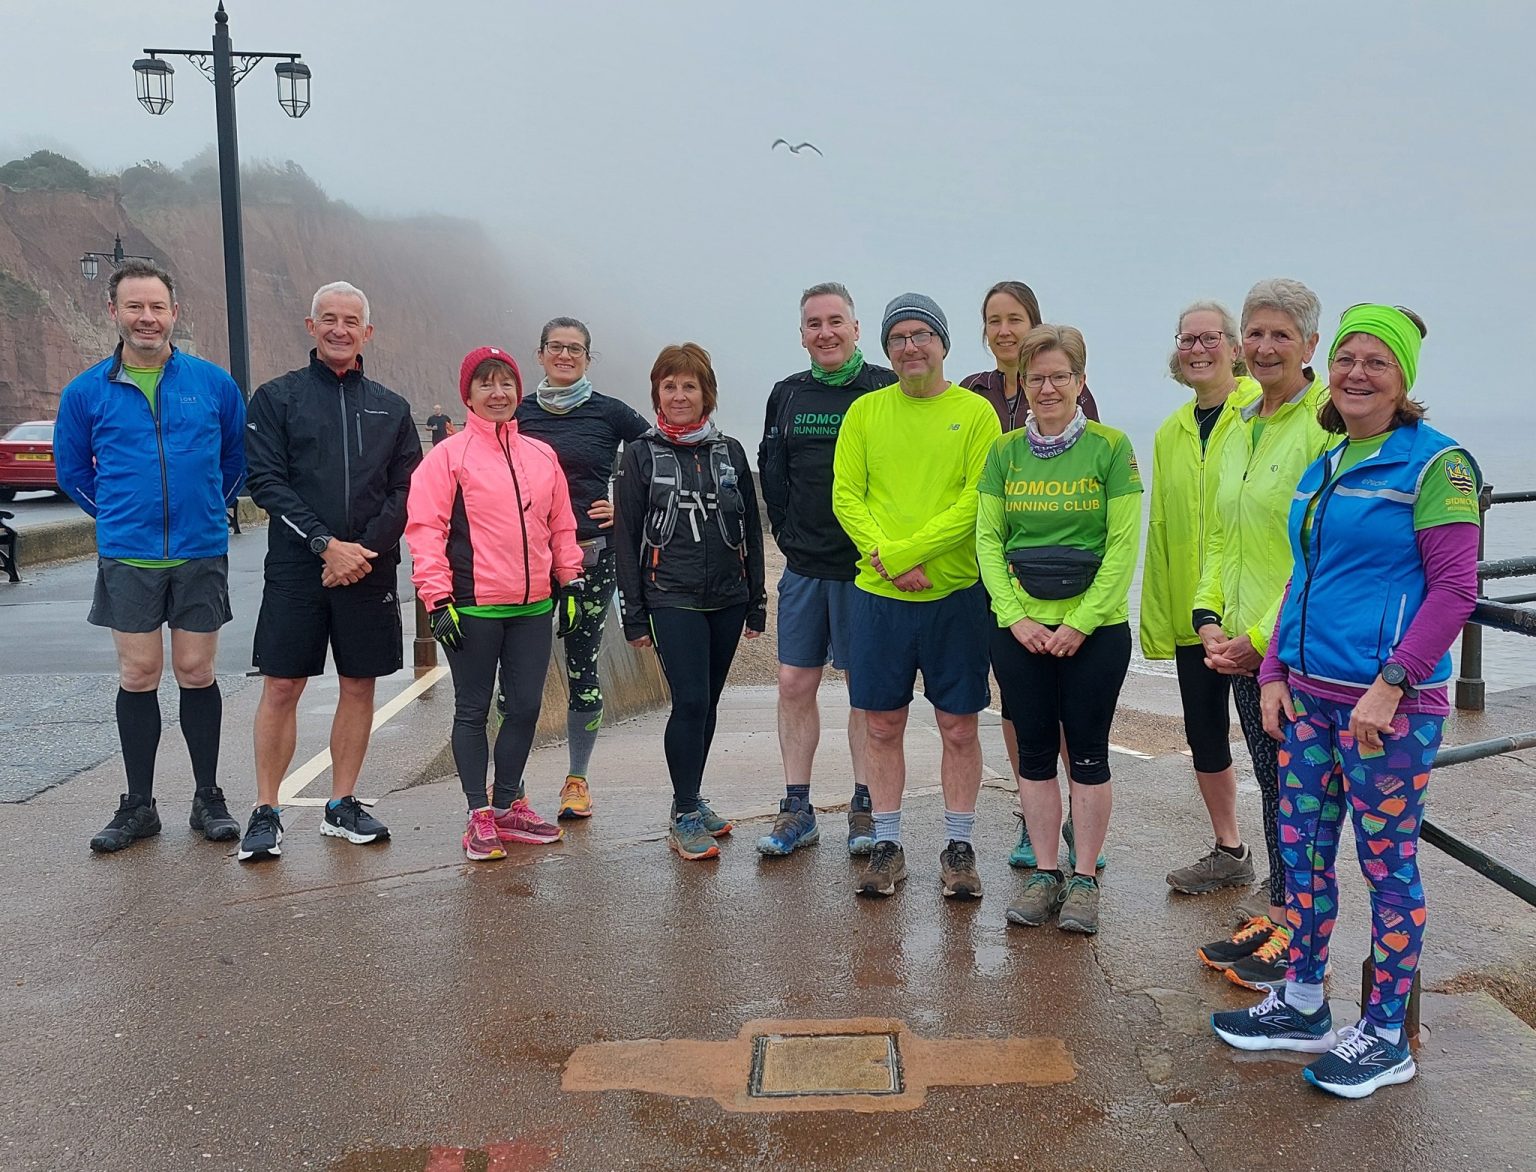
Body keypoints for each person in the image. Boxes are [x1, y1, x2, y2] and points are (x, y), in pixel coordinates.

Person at [1212, 304, 1479, 1099]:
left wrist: (1392, 683)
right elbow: (1303, 576)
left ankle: (1386, 1034)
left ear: (1403, 379)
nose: (1358, 374)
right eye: (1347, 359)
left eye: (1377, 362)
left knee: (1387, 868)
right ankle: (1302, 1003)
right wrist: (1273, 671)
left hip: (1384, 712)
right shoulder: (1328, 460)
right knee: (1303, 856)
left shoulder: (1438, 466)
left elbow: (1455, 589)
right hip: (1309, 701)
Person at [53, 260, 246, 852]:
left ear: (173, 313)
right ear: (114, 312)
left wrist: (206, 510)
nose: (147, 317)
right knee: (138, 674)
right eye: (134, 306)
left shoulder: (213, 384)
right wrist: (118, 517)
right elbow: (72, 471)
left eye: (157, 307)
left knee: (196, 672)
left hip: (199, 552)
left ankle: (208, 797)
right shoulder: (87, 391)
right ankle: (139, 805)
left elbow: (235, 463)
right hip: (129, 556)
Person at [238, 281, 422, 862]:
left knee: (359, 684)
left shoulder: (392, 407)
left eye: (351, 321)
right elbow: (266, 481)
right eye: (329, 319)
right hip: (298, 568)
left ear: (367, 332)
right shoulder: (277, 398)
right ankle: (266, 809)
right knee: (282, 685)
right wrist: (324, 544)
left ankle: (342, 803)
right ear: (311, 325)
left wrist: (360, 551)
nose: (340, 329)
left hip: (368, 568)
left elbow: (407, 489)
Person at [831, 294, 1001, 899]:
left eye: (921, 334)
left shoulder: (976, 414)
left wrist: (907, 554)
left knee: (958, 726)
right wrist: (891, 560)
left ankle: (959, 845)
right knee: (882, 724)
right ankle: (887, 843)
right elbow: (846, 496)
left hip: (954, 594)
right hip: (879, 598)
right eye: (898, 338)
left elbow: (976, 500)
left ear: (943, 343)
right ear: (886, 349)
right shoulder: (865, 413)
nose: (910, 347)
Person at [976, 325, 1141, 934]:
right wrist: (1015, 617)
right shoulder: (1003, 453)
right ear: (1023, 384)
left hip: (1095, 632)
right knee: (1036, 755)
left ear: (1080, 381)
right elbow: (988, 541)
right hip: (1019, 630)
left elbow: (1122, 548)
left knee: (1089, 756)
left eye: (1060, 377)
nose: (1048, 388)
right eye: (1036, 378)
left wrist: (1080, 622)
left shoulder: (1112, 448)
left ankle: (1085, 877)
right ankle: (1045, 873)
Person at [1191, 278, 1330, 986]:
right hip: (1243, 648)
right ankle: (1281, 910)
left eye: (1282, 334)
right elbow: (1222, 534)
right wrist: (1209, 618)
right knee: (1274, 785)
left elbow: (1318, 548)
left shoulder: (1323, 425)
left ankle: (1299, 933)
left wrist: (1262, 635)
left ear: (1310, 344)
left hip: (1298, 647)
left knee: (1304, 795)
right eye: (1256, 332)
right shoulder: (1242, 422)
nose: (1266, 346)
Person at [406, 346, 584, 860]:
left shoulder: (541, 455)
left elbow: (561, 524)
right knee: (472, 709)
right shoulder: (448, 457)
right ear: (468, 394)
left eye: (505, 382)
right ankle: (476, 814)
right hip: (472, 606)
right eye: (485, 383)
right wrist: (437, 599)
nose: (497, 392)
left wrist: (570, 581)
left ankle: (507, 805)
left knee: (525, 707)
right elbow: (426, 530)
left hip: (533, 607)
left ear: (518, 391)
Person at [960, 280, 1103, 874]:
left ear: (1034, 325)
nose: (1003, 330)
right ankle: (1031, 814)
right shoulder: (972, 392)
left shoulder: (1067, 388)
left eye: (1014, 318)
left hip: (1062, 586)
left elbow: (1094, 491)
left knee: (1067, 709)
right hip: (994, 575)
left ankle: (1077, 820)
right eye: (993, 320)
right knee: (1018, 706)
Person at [755, 282, 897, 857]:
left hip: (868, 569)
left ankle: (865, 804)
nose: (826, 332)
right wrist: (788, 535)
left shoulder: (885, 387)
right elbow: (772, 470)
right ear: (802, 335)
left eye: (836, 321)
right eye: (814, 324)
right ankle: (798, 807)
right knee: (794, 684)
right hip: (806, 566)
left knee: (866, 690)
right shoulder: (787, 394)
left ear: (856, 329)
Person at [613, 343, 766, 861]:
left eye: (689, 386)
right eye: (669, 386)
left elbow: (750, 529)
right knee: (691, 702)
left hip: (727, 596)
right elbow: (626, 538)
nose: (679, 395)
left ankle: (694, 796)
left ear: (707, 394)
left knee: (709, 704)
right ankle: (682, 813)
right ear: (657, 392)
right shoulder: (640, 455)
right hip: (669, 596)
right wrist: (634, 615)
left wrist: (756, 600)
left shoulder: (731, 452)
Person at [1142, 301, 1262, 894]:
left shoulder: (1262, 411)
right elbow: (1161, 529)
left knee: (1274, 743)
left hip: (1256, 613)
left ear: (1235, 348)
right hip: (1197, 615)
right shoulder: (1171, 432)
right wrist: (1162, 621)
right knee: (1205, 736)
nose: (1197, 349)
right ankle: (1230, 849)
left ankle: (1293, 874)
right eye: (1187, 339)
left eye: (1210, 338)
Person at [512, 317, 649, 820]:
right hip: (525, 560)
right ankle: (510, 787)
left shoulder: (610, 412)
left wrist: (626, 504)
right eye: (556, 347)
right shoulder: (517, 412)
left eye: (575, 349)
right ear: (540, 353)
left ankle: (577, 781)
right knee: (516, 675)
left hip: (591, 556)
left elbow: (661, 453)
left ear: (588, 358)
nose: (565, 355)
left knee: (582, 668)